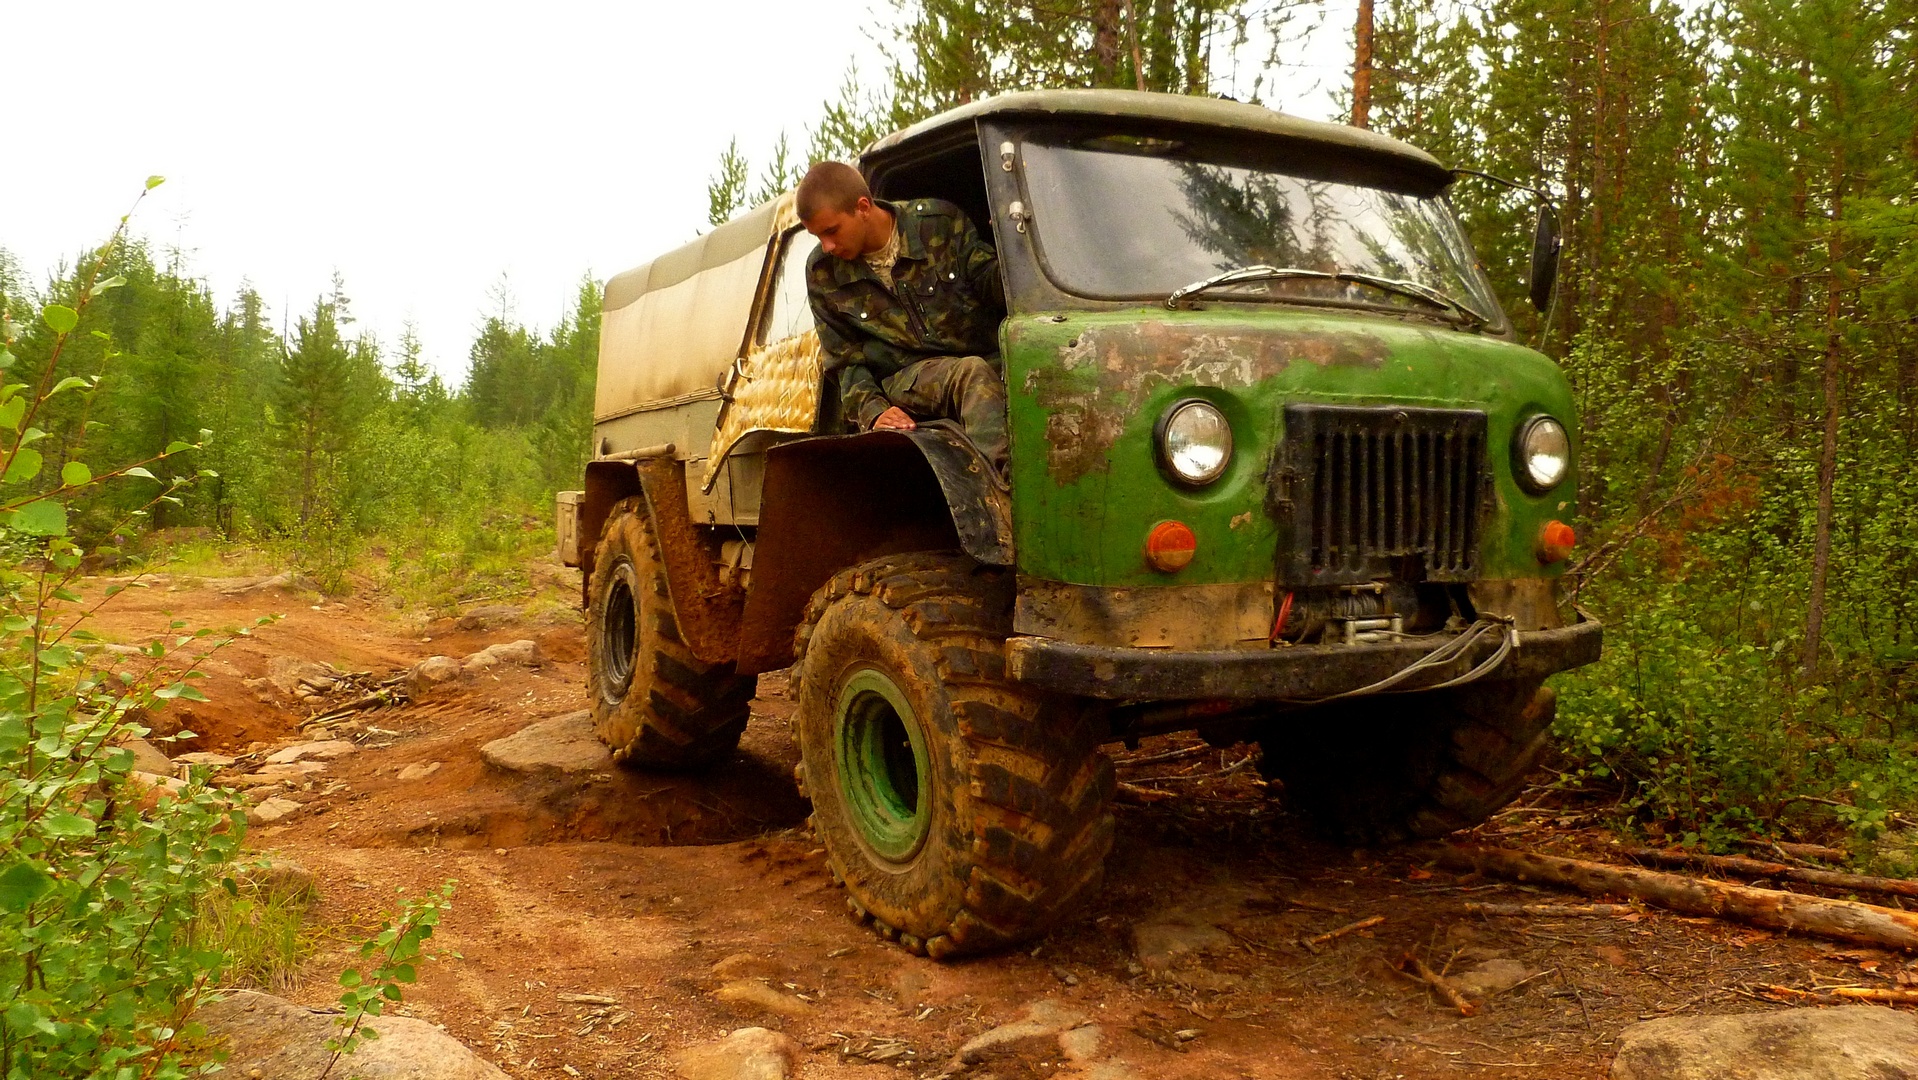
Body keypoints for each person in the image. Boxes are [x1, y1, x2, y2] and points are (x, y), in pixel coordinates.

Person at [796, 161, 1009, 473]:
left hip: (988, 354)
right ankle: (1008, 492)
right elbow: (844, 362)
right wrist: (873, 412)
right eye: (818, 237)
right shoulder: (823, 273)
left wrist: (1012, 246)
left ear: (863, 207)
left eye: (832, 231)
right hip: (905, 376)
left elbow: (992, 282)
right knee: (971, 374)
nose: (827, 247)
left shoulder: (939, 223)